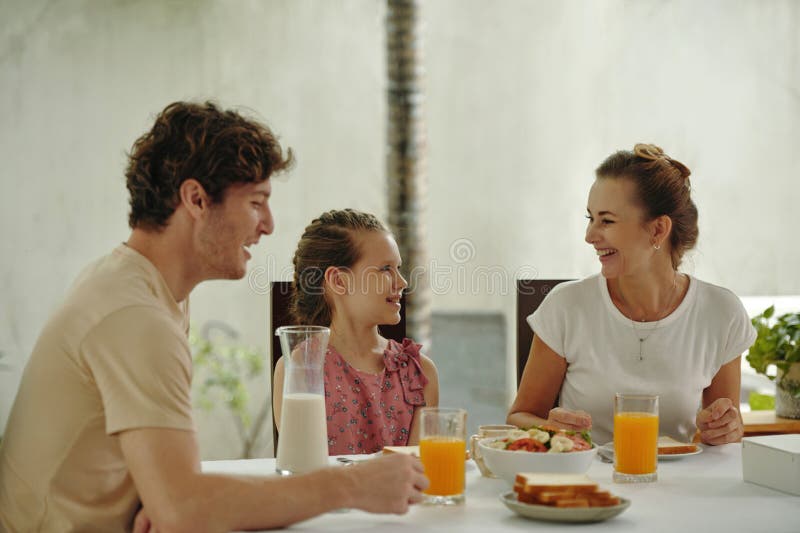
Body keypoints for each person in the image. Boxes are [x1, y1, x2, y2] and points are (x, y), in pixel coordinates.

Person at [0, 102, 428, 533]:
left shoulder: (145, 290)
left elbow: (172, 495)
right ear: (196, 200)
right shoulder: (136, 316)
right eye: (256, 202)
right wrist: (351, 485)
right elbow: (185, 509)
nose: (269, 224)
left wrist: (161, 498)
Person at [508, 143, 756, 446]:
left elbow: (724, 431)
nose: (589, 236)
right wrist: (550, 427)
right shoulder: (566, 307)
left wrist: (724, 428)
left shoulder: (721, 313)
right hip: (588, 485)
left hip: (680, 486)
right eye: (590, 218)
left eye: (607, 220)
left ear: (657, 231)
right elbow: (520, 416)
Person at [273, 209, 439, 455]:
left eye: (398, 268)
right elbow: (304, 472)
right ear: (339, 281)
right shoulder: (300, 368)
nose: (402, 282)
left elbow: (415, 473)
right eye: (385, 269)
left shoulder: (419, 373)